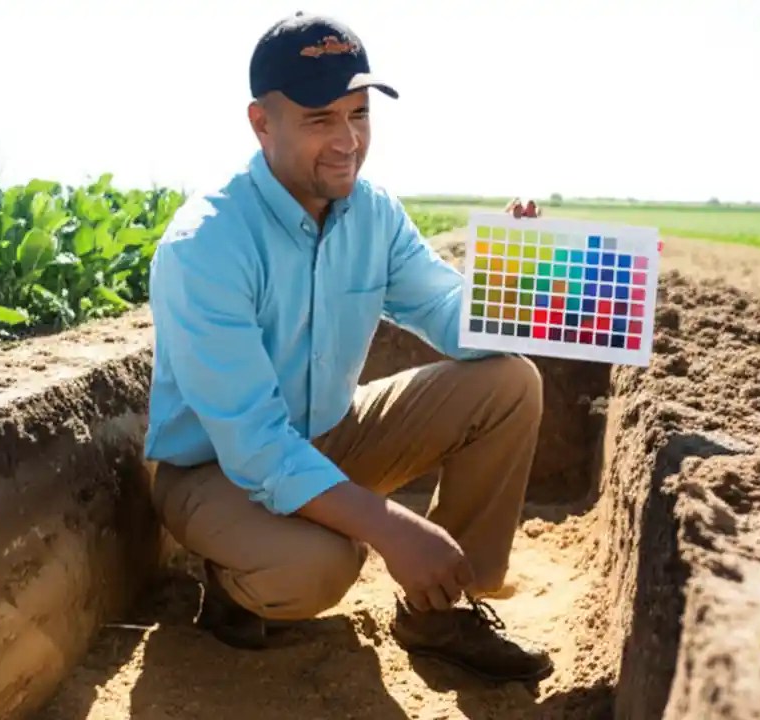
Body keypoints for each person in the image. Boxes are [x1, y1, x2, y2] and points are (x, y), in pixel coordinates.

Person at [143, 11, 553, 684]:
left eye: (359, 113)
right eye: (320, 118)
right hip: (217, 472)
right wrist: (391, 528)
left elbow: (449, 316)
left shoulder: (374, 213)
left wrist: (512, 278)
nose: (348, 140)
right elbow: (256, 447)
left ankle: (442, 614)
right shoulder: (207, 245)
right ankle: (230, 588)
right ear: (261, 123)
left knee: (509, 383)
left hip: (332, 432)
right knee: (322, 565)